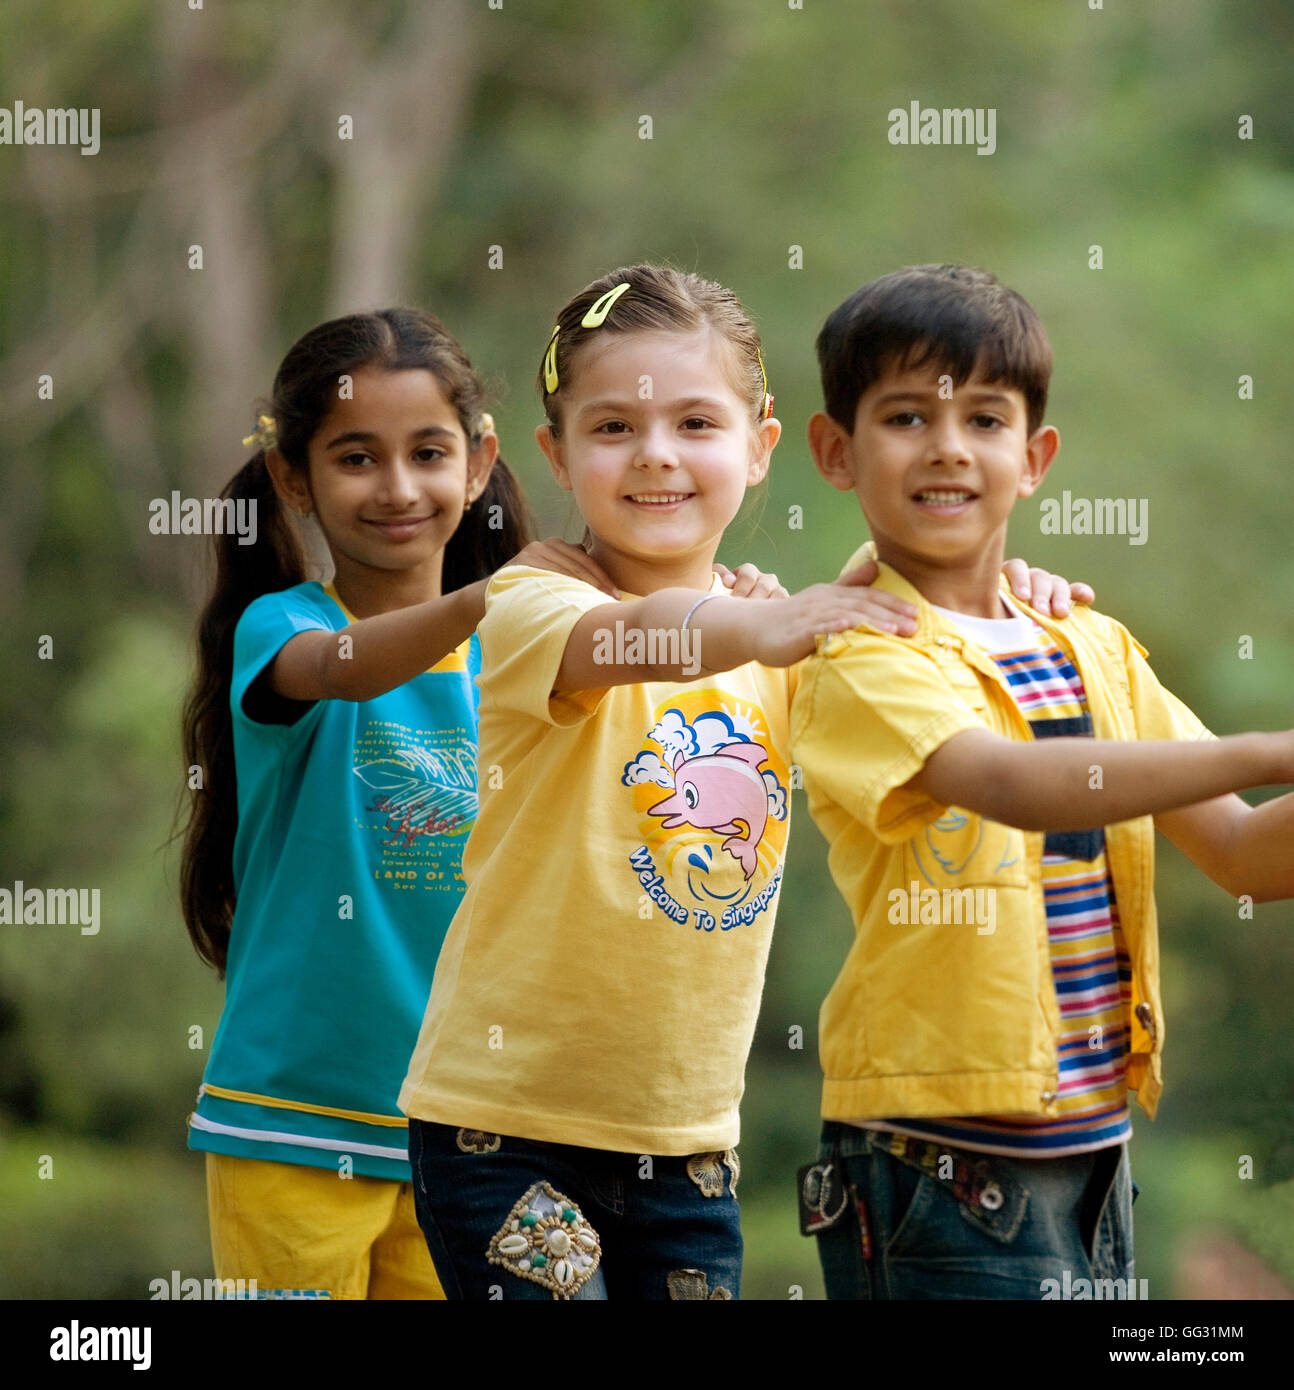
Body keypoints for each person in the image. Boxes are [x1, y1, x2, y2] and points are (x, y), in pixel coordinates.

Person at [398, 264, 1089, 1300]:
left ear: (761, 446)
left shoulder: (786, 631)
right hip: (502, 1131)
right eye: (614, 429)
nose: (657, 456)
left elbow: (913, 620)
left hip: (688, 1147)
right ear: (555, 453)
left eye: (695, 423)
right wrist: (770, 624)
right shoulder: (533, 601)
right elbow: (638, 638)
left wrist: (1009, 589)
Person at [790, 263, 1294, 1300]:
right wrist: (1270, 745)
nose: (946, 447)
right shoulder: (856, 650)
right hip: (934, 1158)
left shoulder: (1090, 643)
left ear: (1033, 457)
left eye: (984, 417)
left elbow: (1246, 854)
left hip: (1094, 1152)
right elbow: (1013, 780)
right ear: (836, 451)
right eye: (903, 416)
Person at [178, 307, 617, 1300]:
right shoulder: (282, 627)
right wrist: (485, 601)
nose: (398, 487)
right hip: (288, 1122)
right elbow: (341, 669)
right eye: (355, 458)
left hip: (477, 1139)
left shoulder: (521, 660)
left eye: (427, 451)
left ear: (477, 462)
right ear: (294, 478)